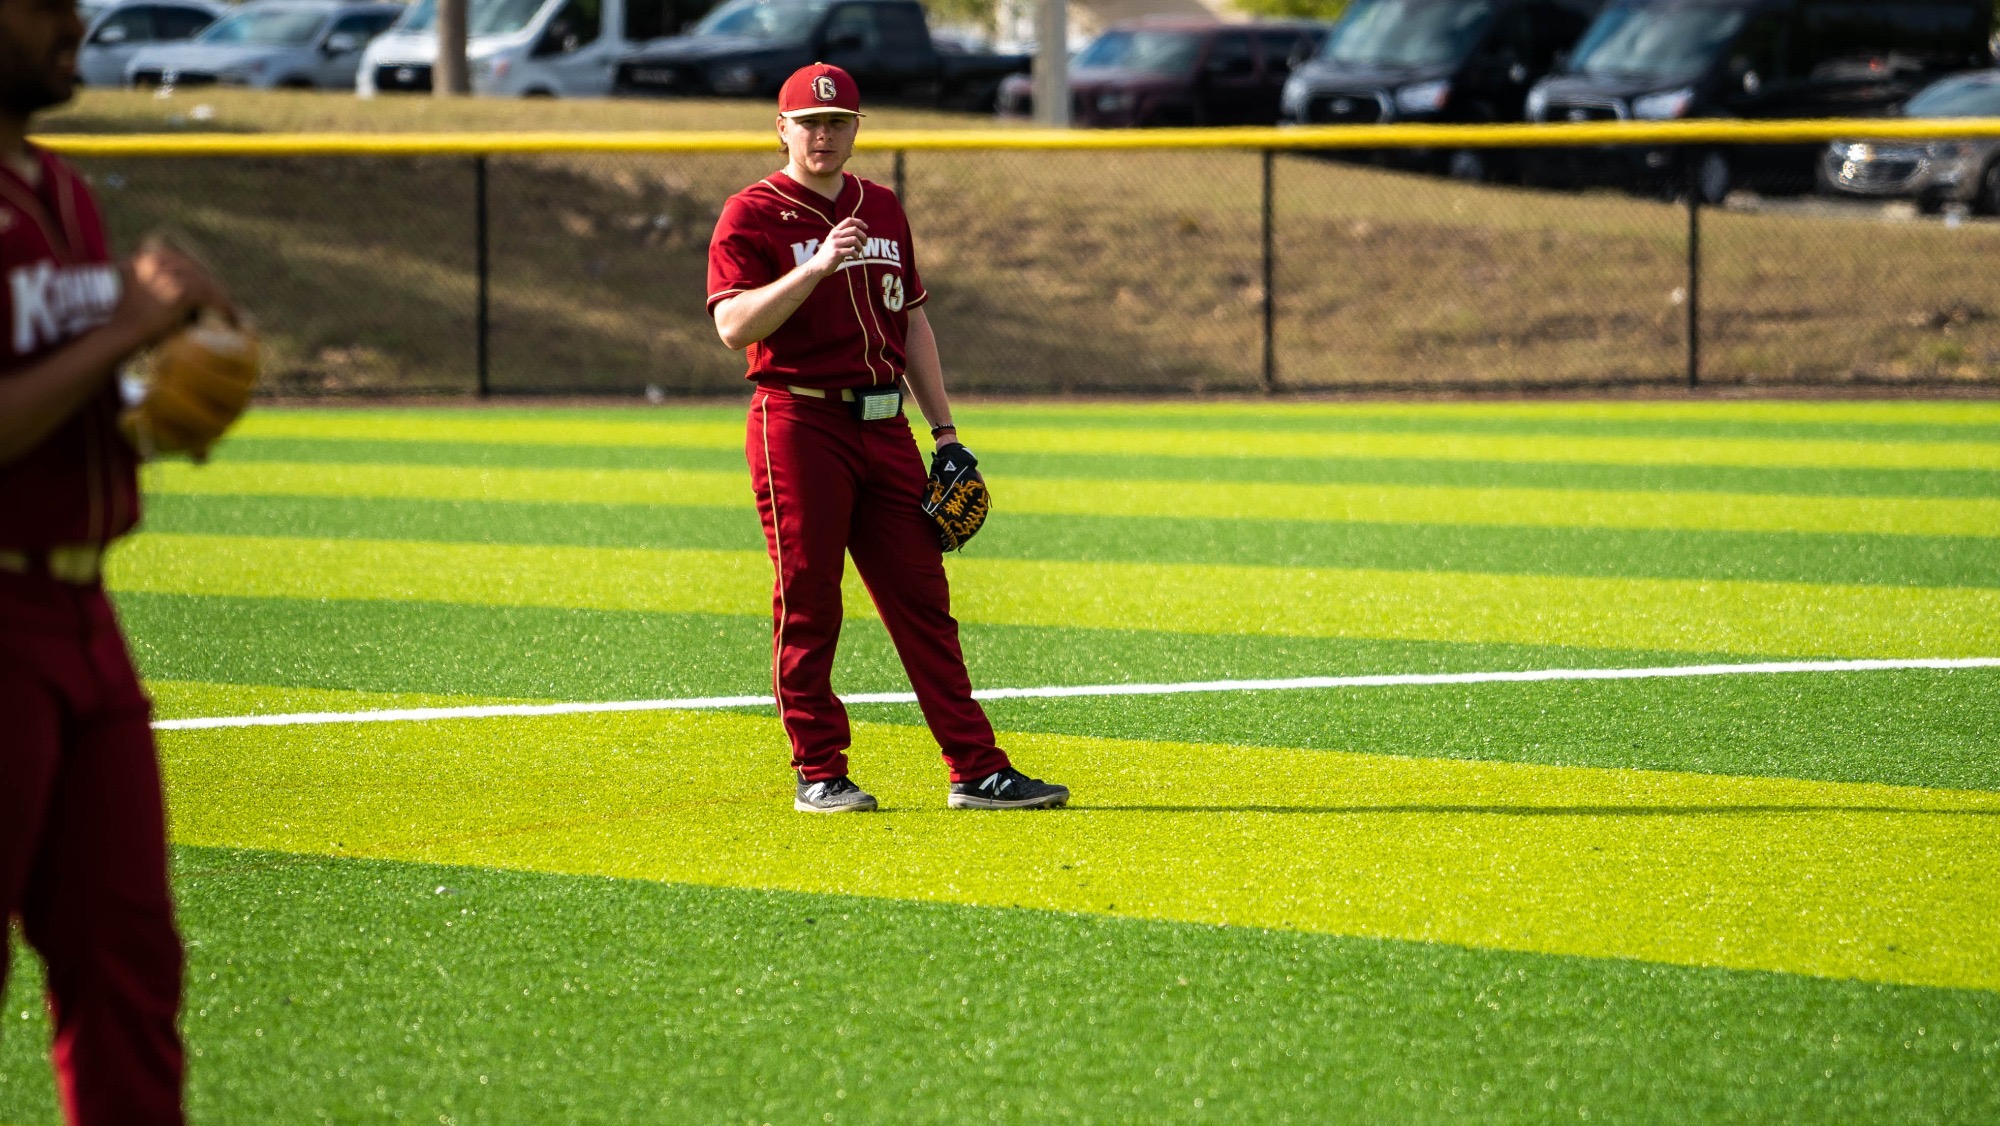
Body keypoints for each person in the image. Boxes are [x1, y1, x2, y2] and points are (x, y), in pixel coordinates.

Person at [707, 63, 1068, 813]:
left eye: (837, 123)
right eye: (809, 123)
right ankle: (819, 771)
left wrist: (946, 433)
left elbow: (911, 322)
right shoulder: (753, 214)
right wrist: (817, 267)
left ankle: (975, 769)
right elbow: (733, 325)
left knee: (923, 600)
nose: (823, 135)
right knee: (810, 601)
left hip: (885, 425)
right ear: (782, 128)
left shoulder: (882, 206)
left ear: (855, 129)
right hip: (798, 420)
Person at [1, 0, 234, 1119]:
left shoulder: (63, 192)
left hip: (85, 624)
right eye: (39, 3)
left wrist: (182, 380)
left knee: (128, 958)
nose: (75, 18)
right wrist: (122, 333)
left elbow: (96, 391)